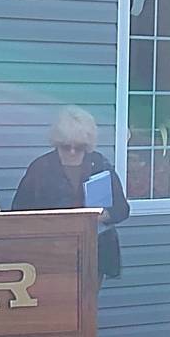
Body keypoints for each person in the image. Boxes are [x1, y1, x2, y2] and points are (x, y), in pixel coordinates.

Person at [12, 106, 130, 281]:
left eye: (80, 147)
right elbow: (19, 211)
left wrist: (103, 215)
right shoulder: (40, 168)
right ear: (57, 142)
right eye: (66, 146)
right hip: (51, 254)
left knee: (88, 306)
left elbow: (122, 209)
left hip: (94, 252)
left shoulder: (99, 164)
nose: (73, 152)